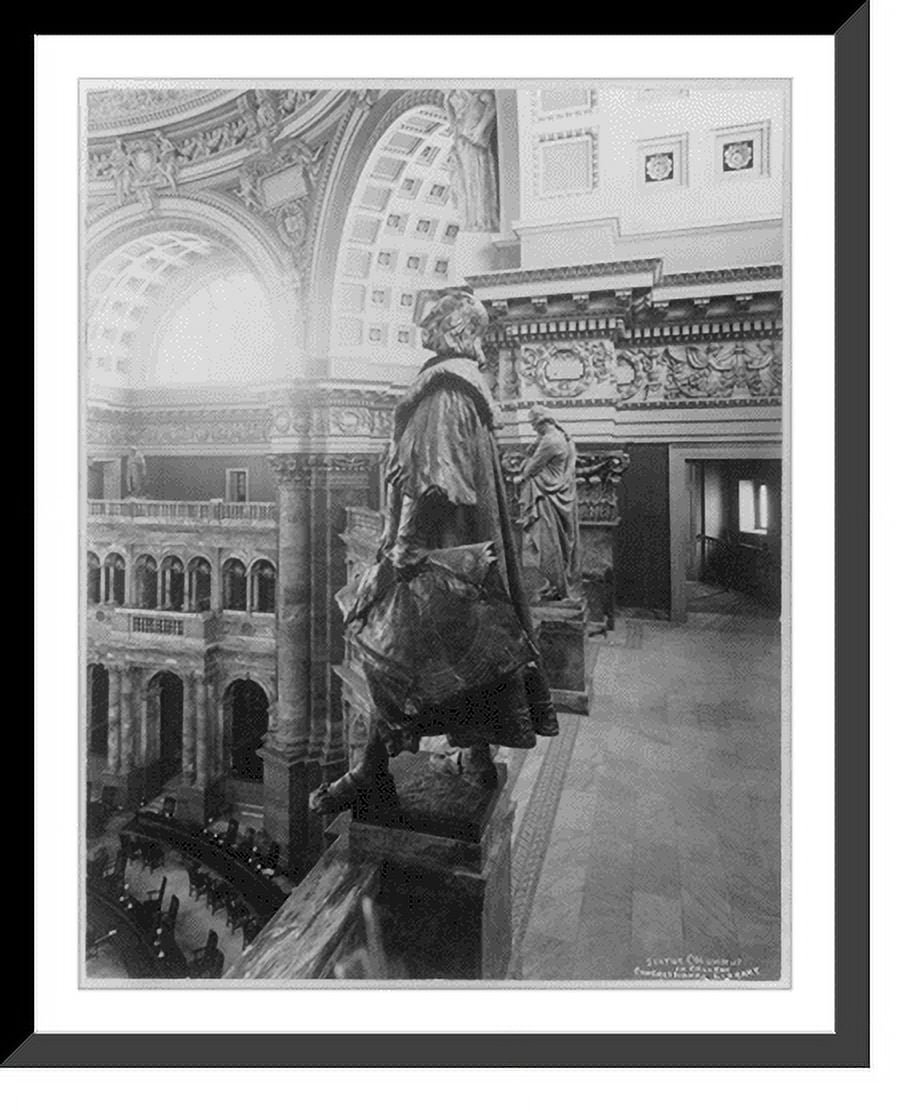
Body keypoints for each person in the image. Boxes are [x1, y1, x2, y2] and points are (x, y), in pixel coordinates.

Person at [310, 288, 557, 817]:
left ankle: (373, 772)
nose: (424, 325)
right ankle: (474, 758)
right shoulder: (466, 389)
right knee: (466, 650)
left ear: (451, 329)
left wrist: (403, 547)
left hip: (437, 551)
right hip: (464, 543)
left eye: (434, 319)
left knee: (394, 656)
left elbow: (433, 480)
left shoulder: (442, 391)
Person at [517, 405, 582, 602]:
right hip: (558, 495)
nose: (533, 429)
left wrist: (522, 473)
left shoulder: (550, 441)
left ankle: (558, 586)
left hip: (547, 497)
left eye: (534, 425)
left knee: (549, 544)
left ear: (543, 422)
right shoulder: (562, 436)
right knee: (557, 544)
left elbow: (530, 468)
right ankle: (557, 585)